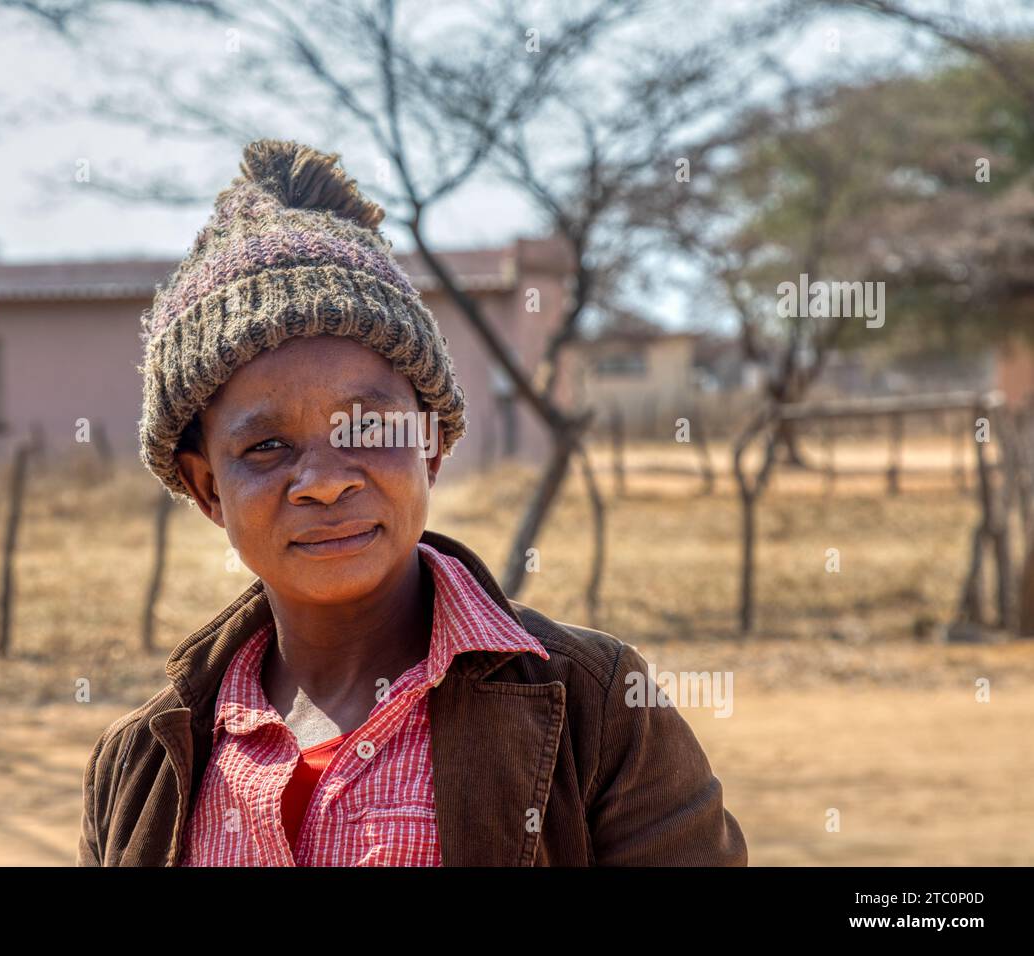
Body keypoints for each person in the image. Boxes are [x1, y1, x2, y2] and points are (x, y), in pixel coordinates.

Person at [76, 138, 747, 866]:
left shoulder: (597, 707)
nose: (325, 480)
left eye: (368, 427)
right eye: (266, 447)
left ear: (429, 444)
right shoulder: (140, 766)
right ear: (208, 489)